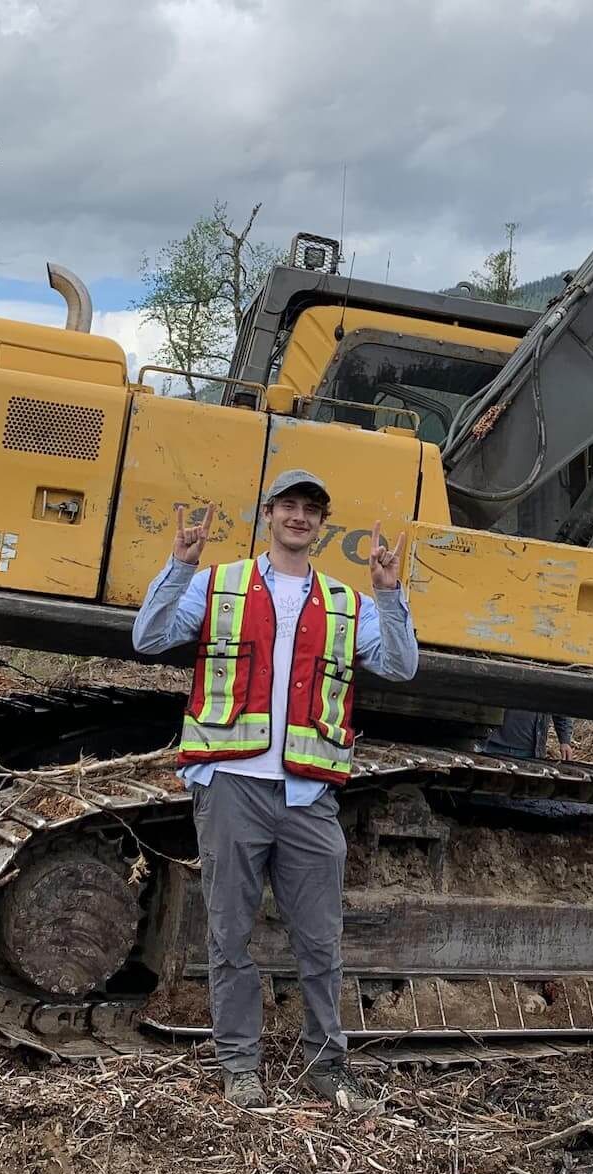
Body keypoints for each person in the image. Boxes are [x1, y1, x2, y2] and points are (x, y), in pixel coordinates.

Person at [132, 469, 418, 1113]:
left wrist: (391, 593)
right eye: (288, 505)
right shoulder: (218, 582)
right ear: (269, 515)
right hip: (233, 784)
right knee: (229, 935)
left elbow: (400, 665)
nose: (299, 517)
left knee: (320, 939)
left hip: (308, 797)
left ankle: (328, 1068)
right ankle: (240, 1066)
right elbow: (149, 637)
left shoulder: (350, 603)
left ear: (323, 525)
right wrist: (178, 566)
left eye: (311, 509)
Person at [483, 708, 575, 762]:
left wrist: (565, 740)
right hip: (495, 746)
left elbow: (559, 704)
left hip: (532, 753)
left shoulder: (552, 677)